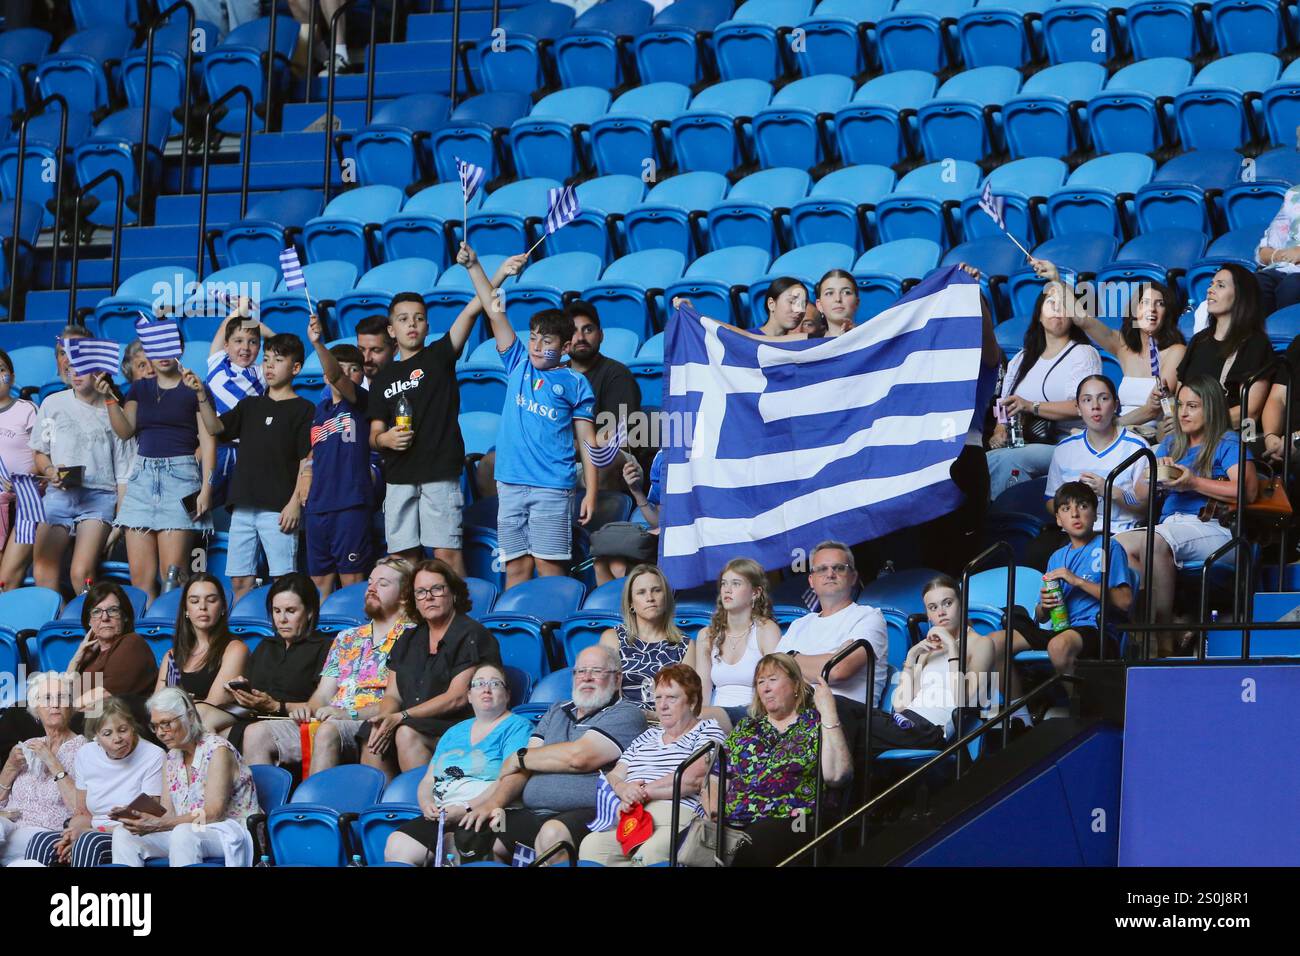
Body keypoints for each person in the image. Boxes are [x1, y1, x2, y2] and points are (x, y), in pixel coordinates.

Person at [367, 256, 521, 571]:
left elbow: (473, 308)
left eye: (419, 318)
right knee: (403, 560)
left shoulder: (439, 355)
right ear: (391, 329)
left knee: (446, 555)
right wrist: (385, 439)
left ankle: (456, 618)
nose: (411, 324)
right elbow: (373, 434)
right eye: (403, 319)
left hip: (439, 474)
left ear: (427, 324)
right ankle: (410, 619)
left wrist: (497, 273)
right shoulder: (381, 378)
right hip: (398, 478)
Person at [464, 243, 597, 589]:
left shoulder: (575, 382)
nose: (537, 347)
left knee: (550, 570)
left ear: (565, 347)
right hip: (509, 485)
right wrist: (476, 266)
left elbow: (588, 442)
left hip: (552, 488)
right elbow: (494, 312)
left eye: (546, 341)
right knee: (517, 570)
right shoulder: (518, 363)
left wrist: (593, 492)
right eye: (534, 339)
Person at [455, 645, 646, 864]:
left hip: (592, 814)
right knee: (482, 830)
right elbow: (523, 768)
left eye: (596, 671)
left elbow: (579, 758)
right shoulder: (557, 710)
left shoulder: (627, 714)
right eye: (580, 671)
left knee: (552, 835)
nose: (586, 678)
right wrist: (494, 803)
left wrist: (519, 757)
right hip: (534, 812)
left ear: (617, 679)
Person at [1117, 378, 1258, 654]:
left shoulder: (1226, 441)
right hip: (1172, 527)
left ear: (1212, 408)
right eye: (1180, 405)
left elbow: (1248, 491)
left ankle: (1164, 641)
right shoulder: (1171, 443)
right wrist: (1157, 473)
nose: (1183, 413)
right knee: (1119, 546)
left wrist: (1193, 483)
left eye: (1192, 406)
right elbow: (1141, 493)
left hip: (1217, 529)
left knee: (1155, 543)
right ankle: (1147, 634)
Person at [254, 557, 418, 775]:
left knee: (327, 730)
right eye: (370, 582)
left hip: (367, 723)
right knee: (257, 733)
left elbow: (399, 700)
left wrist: (345, 714)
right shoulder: (346, 638)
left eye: (383, 584)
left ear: (405, 596)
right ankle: (256, 809)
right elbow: (323, 693)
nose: (371, 588)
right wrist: (308, 708)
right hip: (331, 718)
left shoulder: (413, 637)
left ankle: (313, 807)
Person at [188, 333, 314, 604]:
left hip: (279, 509)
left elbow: (306, 460)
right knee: (239, 580)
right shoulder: (250, 404)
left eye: (278, 360)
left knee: (283, 580)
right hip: (243, 506)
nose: (269, 366)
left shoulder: (304, 409)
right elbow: (215, 428)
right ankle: (242, 635)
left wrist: (295, 503)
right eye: (266, 359)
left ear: (296, 368)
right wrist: (201, 394)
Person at [699, 654, 851, 867]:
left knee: (757, 842)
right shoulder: (746, 728)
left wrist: (828, 712)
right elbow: (717, 775)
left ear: (796, 685)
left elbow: (837, 775)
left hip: (797, 820)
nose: (765, 688)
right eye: (760, 682)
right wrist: (714, 812)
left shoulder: (815, 725)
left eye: (772, 679)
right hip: (737, 821)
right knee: (687, 843)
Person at [989, 482, 1137, 696]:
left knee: (1058, 646)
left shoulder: (1107, 547)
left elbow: (1124, 601)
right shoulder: (1057, 557)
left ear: (1095, 514)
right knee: (995, 642)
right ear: (1058, 519)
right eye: (1066, 509)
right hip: (1062, 630)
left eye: (1083, 506)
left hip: (1097, 630)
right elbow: (1041, 617)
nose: (1075, 514)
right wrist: (1043, 605)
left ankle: (1080, 712)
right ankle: (1019, 717)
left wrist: (1077, 581)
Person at [383, 662, 534, 865]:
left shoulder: (518, 726)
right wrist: (427, 804)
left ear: (507, 695)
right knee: (397, 844)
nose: (486, 689)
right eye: (479, 684)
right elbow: (428, 780)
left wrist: (466, 808)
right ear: (470, 696)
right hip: (445, 815)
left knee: (477, 844)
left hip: (494, 812)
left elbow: (512, 777)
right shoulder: (454, 732)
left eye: (495, 684)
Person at [579, 664, 726, 866]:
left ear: (692, 702)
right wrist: (624, 789)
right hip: (632, 819)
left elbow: (693, 778)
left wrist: (643, 792)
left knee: (649, 854)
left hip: (675, 817)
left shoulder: (707, 729)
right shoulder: (647, 736)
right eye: (658, 698)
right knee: (591, 846)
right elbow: (614, 776)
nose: (662, 705)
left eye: (671, 698)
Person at [98, 347, 215, 600]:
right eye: (157, 348)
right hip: (142, 478)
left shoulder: (196, 387)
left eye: (170, 347)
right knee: (140, 579)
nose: (163, 354)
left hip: (181, 478)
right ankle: (147, 637)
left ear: (181, 350)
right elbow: (125, 431)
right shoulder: (140, 388)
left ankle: (176, 637)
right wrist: (109, 400)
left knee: (173, 576)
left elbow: (208, 441)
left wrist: (207, 487)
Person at [30, 326, 136, 596]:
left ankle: (90, 625)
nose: (74, 370)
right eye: (69, 363)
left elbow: (123, 475)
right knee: (43, 568)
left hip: (99, 498)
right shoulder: (52, 404)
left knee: (81, 573)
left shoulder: (115, 411)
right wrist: (51, 470)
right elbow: (41, 453)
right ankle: (59, 625)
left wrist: (118, 525)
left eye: (83, 364)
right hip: (59, 495)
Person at [368, 559, 501, 772]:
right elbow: (393, 695)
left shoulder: (472, 634)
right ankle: (387, 803)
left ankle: (418, 802)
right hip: (414, 721)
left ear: (454, 594)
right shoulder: (408, 638)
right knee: (372, 732)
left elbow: (457, 698)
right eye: (420, 592)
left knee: (405, 732)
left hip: (458, 726)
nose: (428, 597)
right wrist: (385, 718)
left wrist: (402, 716)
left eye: (436, 589)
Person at [111, 687, 259, 867]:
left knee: (183, 833)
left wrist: (160, 824)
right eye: (155, 726)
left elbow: (213, 813)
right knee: (124, 834)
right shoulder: (172, 756)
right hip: (185, 830)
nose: (160, 732)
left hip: (228, 830)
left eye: (166, 723)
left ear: (189, 717)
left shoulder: (218, 750)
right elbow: (167, 812)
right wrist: (138, 816)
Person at [1032, 259, 1185, 431]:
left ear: (1167, 314)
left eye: (1160, 304)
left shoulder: (1176, 351)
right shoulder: (1123, 346)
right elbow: (1082, 319)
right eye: (1145, 303)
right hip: (1119, 432)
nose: (1152, 309)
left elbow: (1152, 410)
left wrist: (1109, 426)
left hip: (1151, 435)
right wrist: (1056, 279)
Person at [986, 282, 1102, 498]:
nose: (1058, 310)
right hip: (1024, 439)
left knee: (1007, 460)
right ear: (1039, 314)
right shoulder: (1022, 357)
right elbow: (1004, 402)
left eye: (1064, 306)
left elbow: (1084, 406)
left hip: (1067, 441)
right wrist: (999, 430)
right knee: (987, 457)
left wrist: (1031, 406)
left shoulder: (1083, 354)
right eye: (1051, 303)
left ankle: (1002, 521)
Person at [24, 696, 165, 867]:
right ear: (96, 737)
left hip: (130, 834)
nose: (117, 738)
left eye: (123, 730)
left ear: (133, 728)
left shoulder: (153, 756)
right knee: (41, 840)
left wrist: (84, 834)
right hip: (91, 831)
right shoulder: (86, 754)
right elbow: (82, 813)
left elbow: (146, 820)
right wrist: (71, 835)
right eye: (107, 733)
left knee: (88, 843)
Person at [1030, 374, 1150, 569]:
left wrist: (1108, 490)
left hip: (1116, 534)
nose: (1095, 406)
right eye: (1087, 400)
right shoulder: (1065, 449)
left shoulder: (1137, 448)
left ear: (1116, 404)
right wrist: (1072, 503)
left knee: (1094, 562)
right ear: (1078, 408)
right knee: (1035, 554)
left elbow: (1145, 506)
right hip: (1071, 533)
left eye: (1103, 398)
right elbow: (1050, 502)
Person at [217, 573, 332, 756]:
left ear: (309, 612)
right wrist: (241, 693)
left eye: (291, 611)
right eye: (276, 611)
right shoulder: (266, 645)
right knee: (199, 717)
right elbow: (253, 692)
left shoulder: (326, 647)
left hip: (292, 723)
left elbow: (321, 704)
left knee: (239, 736)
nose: (282, 619)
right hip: (252, 717)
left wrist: (276, 705)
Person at [303, 316, 373, 597]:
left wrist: (318, 343)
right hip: (318, 507)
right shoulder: (318, 411)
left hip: (350, 504)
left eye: (354, 369)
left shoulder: (362, 402)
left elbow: (336, 378)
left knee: (352, 583)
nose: (346, 373)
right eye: (341, 367)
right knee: (319, 585)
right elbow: (311, 454)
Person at [777, 541, 888, 709]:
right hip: (792, 717)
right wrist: (827, 659)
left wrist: (790, 659)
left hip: (843, 721)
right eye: (822, 569)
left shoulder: (869, 617)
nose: (830, 574)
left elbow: (837, 670)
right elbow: (772, 671)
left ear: (853, 577)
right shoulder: (799, 624)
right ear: (811, 581)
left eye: (839, 568)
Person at [895, 575, 996, 739]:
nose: (941, 612)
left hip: (932, 731)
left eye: (948, 603)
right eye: (933, 608)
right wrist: (912, 656)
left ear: (961, 604)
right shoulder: (927, 649)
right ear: (928, 615)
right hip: (905, 722)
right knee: (850, 717)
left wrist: (951, 645)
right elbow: (900, 706)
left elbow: (962, 701)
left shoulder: (982, 644)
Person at [0, 672, 83, 865]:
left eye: (61, 697)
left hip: (45, 836)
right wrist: (10, 767)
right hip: (9, 828)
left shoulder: (85, 750)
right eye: (46, 698)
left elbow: (81, 809)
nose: (54, 704)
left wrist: (52, 762)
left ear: (70, 706)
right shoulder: (28, 746)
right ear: (36, 707)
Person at [1178, 264, 1272, 427]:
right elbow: (1180, 395)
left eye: (1220, 285)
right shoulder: (1199, 340)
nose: (1210, 290)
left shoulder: (1255, 344)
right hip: (1188, 433)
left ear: (1241, 296)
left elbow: (1250, 411)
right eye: (1211, 284)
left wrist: (1202, 422)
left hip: (1224, 437)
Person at [693, 558, 781, 731]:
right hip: (714, 717)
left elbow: (775, 687)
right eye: (724, 583)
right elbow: (701, 692)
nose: (727, 589)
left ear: (755, 592)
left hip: (755, 714)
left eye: (736, 583)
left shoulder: (766, 630)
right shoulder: (707, 635)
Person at [566, 300, 642, 491]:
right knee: (491, 463)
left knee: (604, 459)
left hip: (604, 460)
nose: (580, 337)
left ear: (601, 335)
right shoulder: (553, 376)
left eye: (588, 330)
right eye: (573, 331)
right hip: (559, 461)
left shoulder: (617, 374)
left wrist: (559, 448)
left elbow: (616, 438)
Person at [599, 564, 690, 712]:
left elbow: (687, 700)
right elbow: (604, 692)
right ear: (630, 603)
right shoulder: (612, 638)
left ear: (666, 598)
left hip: (665, 724)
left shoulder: (685, 645)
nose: (650, 598)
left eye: (657, 590)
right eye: (641, 592)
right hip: (618, 721)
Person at [204, 301, 268, 507]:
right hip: (214, 448)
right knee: (197, 506)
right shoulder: (216, 361)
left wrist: (252, 322)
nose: (245, 348)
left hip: (246, 452)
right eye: (238, 341)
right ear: (226, 345)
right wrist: (240, 310)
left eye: (253, 342)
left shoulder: (262, 372)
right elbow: (226, 326)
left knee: (241, 510)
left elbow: (280, 342)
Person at [155, 573, 248, 712]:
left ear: (223, 607)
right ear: (186, 610)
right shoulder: (172, 655)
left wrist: (179, 703)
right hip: (171, 729)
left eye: (211, 600)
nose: (203, 607)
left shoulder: (235, 649)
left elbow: (211, 707)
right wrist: (192, 702)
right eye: (194, 601)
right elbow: (157, 706)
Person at [65, 581, 157, 711]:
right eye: (97, 612)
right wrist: (75, 661)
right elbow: (66, 695)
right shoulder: (89, 656)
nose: (105, 617)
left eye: (113, 610)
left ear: (125, 616)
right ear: (89, 621)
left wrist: (64, 710)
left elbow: (105, 696)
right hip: (88, 725)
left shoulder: (132, 644)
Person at [590, 449, 663, 585]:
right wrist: (635, 490)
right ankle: (618, 606)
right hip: (661, 538)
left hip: (684, 542)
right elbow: (658, 520)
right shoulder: (662, 457)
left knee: (619, 567)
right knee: (600, 562)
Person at [0, 347, 38, 589]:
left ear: (11, 377)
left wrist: (24, 479)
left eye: (1, 370)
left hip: (28, 502)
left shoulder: (27, 410)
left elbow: (45, 457)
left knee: (5, 580)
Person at [1253, 185, 1300, 316]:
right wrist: (1279, 255)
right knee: (1253, 284)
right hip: (1282, 268)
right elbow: (1263, 252)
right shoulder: (1295, 194)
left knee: (1291, 287)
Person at [355, 314, 396, 388]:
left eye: (376, 350)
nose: (366, 359)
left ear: (395, 349)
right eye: (361, 350)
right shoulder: (348, 386)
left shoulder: (411, 383)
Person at [814, 269, 859, 336]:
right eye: (829, 293)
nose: (838, 299)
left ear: (857, 303)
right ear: (819, 305)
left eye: (846, 292)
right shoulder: (807, 343)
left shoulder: (874, 339)